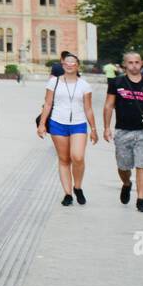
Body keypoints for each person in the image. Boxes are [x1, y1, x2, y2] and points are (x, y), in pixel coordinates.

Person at [103, 51, 143, 214]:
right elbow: (109, 105)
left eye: (137, 62)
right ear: (125, 64)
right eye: (130, 62)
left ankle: (141, 199)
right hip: (122, 130)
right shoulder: (116, 82)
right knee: (123, 166)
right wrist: (106, 127)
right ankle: (126, 184)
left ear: (142, 63)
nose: (134, 65)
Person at [36, 52, 97, 206]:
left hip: (78, 123)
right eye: (67, 62)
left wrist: (94, 129)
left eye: (73, 62)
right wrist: (42, 124)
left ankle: (78, 187)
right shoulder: (54, 83)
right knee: (64, 160)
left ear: (77, 66)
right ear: (63, 65)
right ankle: (68, 194)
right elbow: (48, 104)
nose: (70, 65)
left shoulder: (84, 85)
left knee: (77, 157)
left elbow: (88, 108)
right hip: (58, 123)